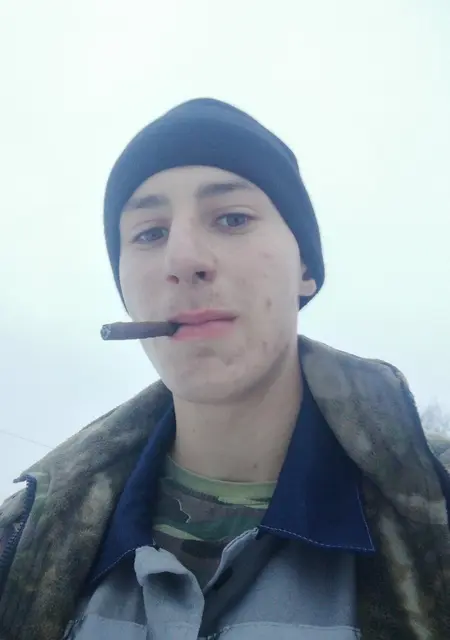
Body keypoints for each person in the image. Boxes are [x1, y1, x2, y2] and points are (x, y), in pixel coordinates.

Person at [0, 98, 449, 640]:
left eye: (232, 218)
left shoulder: (436, 510)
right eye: (149, 233)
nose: (183, 260)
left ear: (305, 268)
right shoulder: (20, 539)